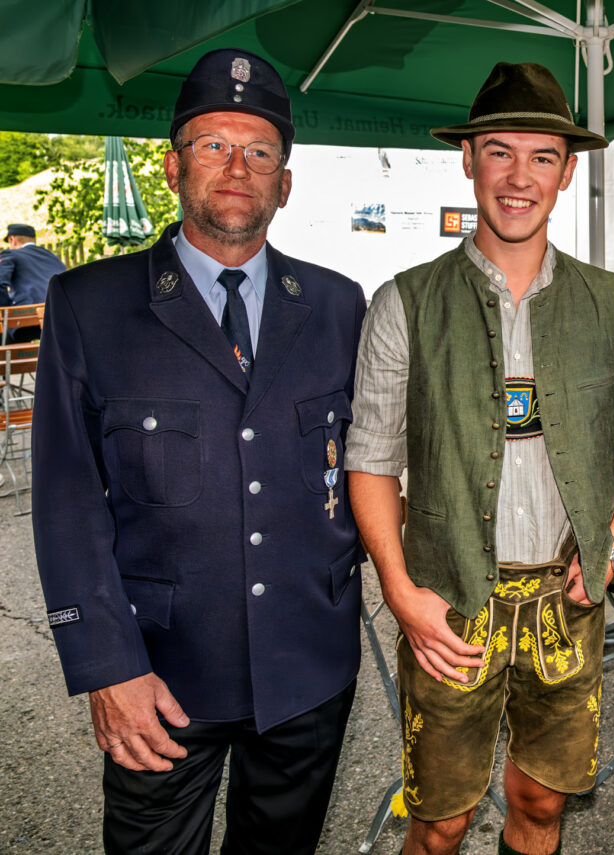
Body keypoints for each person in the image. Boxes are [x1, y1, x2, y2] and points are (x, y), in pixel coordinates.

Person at [32, 48, 366, 854]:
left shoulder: (336, 304)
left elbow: (371, 465)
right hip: (161, 676)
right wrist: (106, 666)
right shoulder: (90, 305)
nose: (237, 167)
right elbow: (67, 501)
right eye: (214, 143)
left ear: (285, 183)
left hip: (308, 670)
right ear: (175, 164)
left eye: (260, 151)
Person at [345, 62, 614, 855]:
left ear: (566, 170)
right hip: (448, 603)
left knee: (540, 803)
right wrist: (400, 592)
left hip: (569, 595)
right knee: (441, 819)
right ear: (468, 159)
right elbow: (371, 459)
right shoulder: (405, 300)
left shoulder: (609, 300)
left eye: (541, 156)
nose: (518, 177)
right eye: (499, 152)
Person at [0, 223, 64, 341]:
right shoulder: (52, 257)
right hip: (60, 320)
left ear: (12, 239)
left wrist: (4, 313)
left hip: (26, 323)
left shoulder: (10, 254)